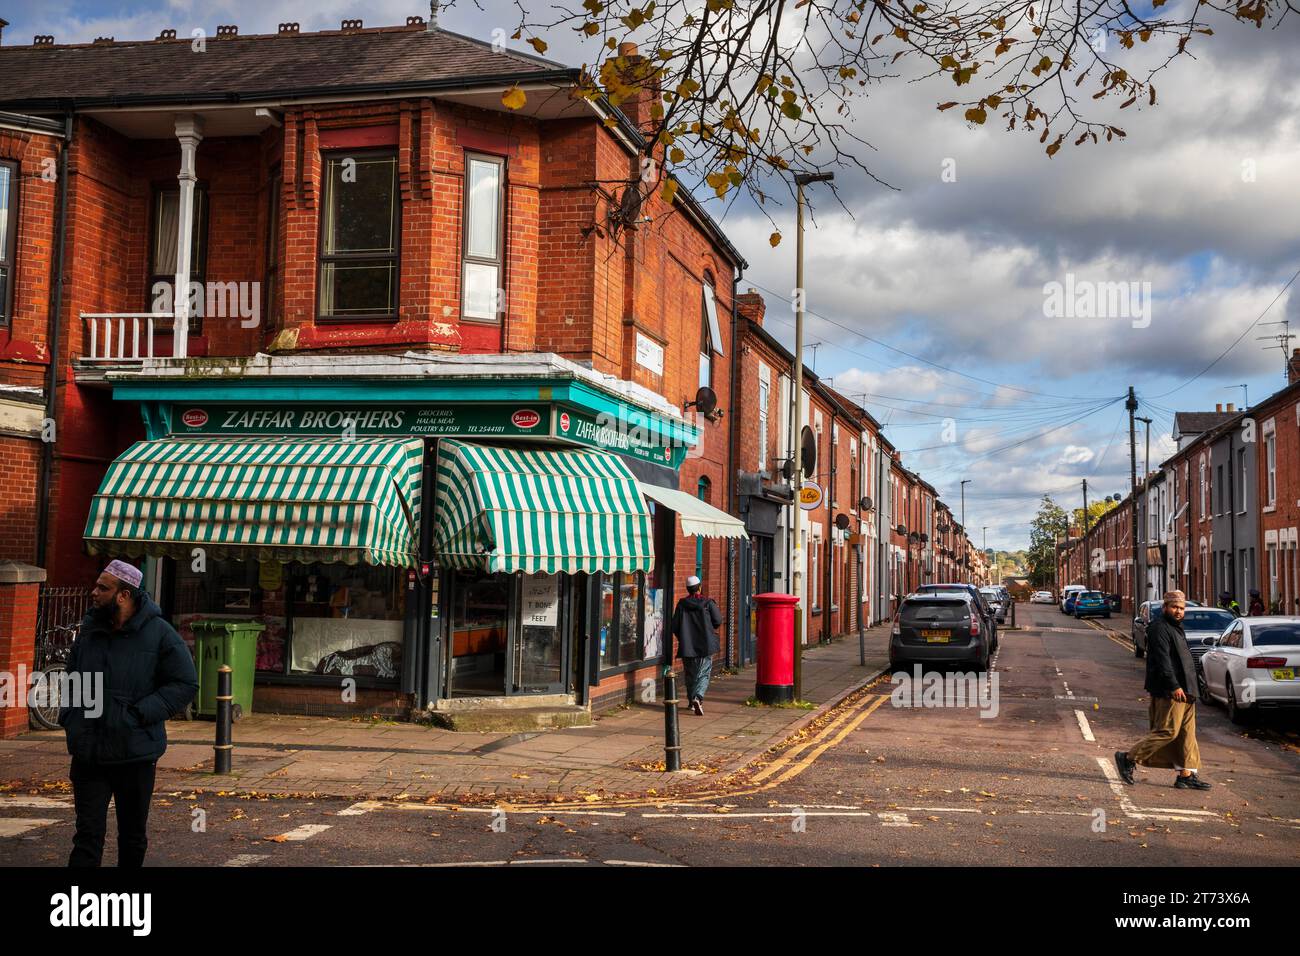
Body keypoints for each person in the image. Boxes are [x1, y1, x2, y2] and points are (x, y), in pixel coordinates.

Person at [60, 560, 198, 866]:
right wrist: (72, 721)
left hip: (134, 754)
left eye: (103, 588)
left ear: (124, 595)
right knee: (86, 838)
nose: (93, 593)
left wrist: (137, 715)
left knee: (132, 837)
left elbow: (185, 682)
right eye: (96, 586)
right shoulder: (89, 631)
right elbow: (71, 680)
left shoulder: (160, 633)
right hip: (89, 754)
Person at [1114, 590, 1211, 790]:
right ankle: (1128, 757)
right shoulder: (1159, 628)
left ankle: (1186, 775)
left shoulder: (1176, 627)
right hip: (1171, 691)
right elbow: (1162, 660)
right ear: (1165, 607)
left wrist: (1192, 687)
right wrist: (1173, 685)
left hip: (1188, 691)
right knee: (1167, 731)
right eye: (1175, 607)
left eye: (1182, 608)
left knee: (1187, 735)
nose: (1179, 611)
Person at [671, 575, 721, 716]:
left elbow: (674, 626)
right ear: (699, 587)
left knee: (690, 674)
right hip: (705, 644)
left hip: (688, 646)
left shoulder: (681, 605)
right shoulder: (708, 603)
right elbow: (717, 620)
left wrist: (684, 638)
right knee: (703, 674)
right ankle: (697, 698)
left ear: (688, 589)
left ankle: (691, 703)